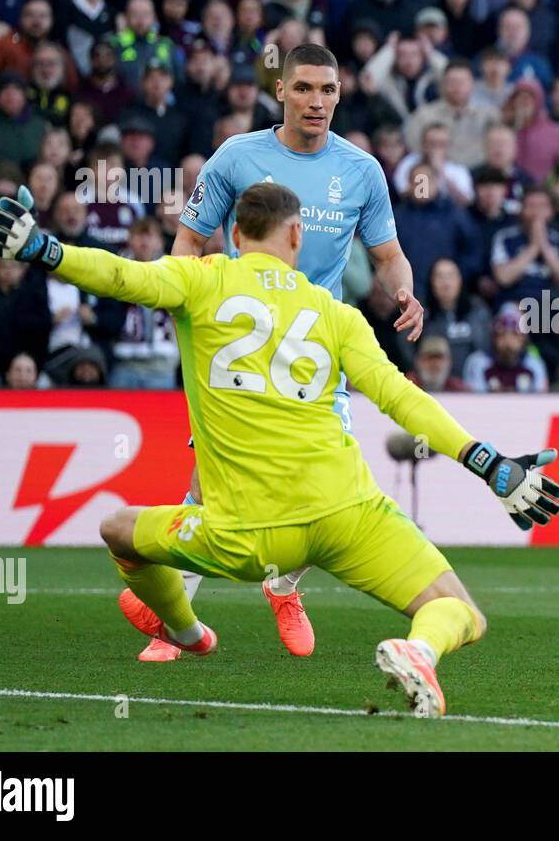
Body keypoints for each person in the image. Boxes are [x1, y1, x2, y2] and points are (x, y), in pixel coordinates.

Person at [0, 180, 559, 716]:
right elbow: (400, 399)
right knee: (461, 612)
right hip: (348, 515)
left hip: (248, 533)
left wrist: (44, 250)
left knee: (118, 530)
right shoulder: (336, 313)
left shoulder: (202, 278)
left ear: (236, 235)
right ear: (295, 235)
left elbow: (122, 276)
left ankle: (187, 633)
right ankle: (420, 653)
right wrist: (484, 460)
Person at [149, 44, 423, 663]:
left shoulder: (362, 171)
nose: (316, 101)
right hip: (240, 339)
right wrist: (182, 300)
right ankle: (175, 623)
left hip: (312, 345)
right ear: (280, 92)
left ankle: (284, 587)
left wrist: (404, 289)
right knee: (210, 482)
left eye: (327, 90)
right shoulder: (238, 157)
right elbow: (189, 240)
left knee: (323, 479)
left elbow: (387, 256)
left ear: (339, 95)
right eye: (303, 88)